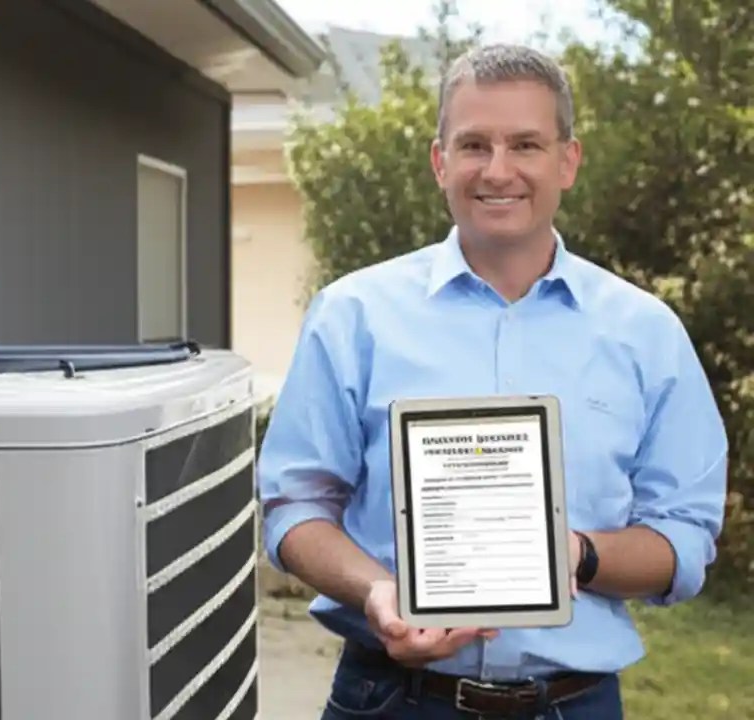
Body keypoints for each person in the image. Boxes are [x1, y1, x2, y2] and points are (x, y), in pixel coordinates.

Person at [257, 43, 728, 719]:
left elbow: (682, 536)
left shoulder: (646, 334)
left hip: (575, 704)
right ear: (439, 160)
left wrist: (574, 553)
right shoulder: (353, 315)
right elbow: (296, 506)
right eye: (474, 144)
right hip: (390, 701)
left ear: (568, 160)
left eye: (526, 145)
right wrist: (378, 591)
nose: (498, 170)